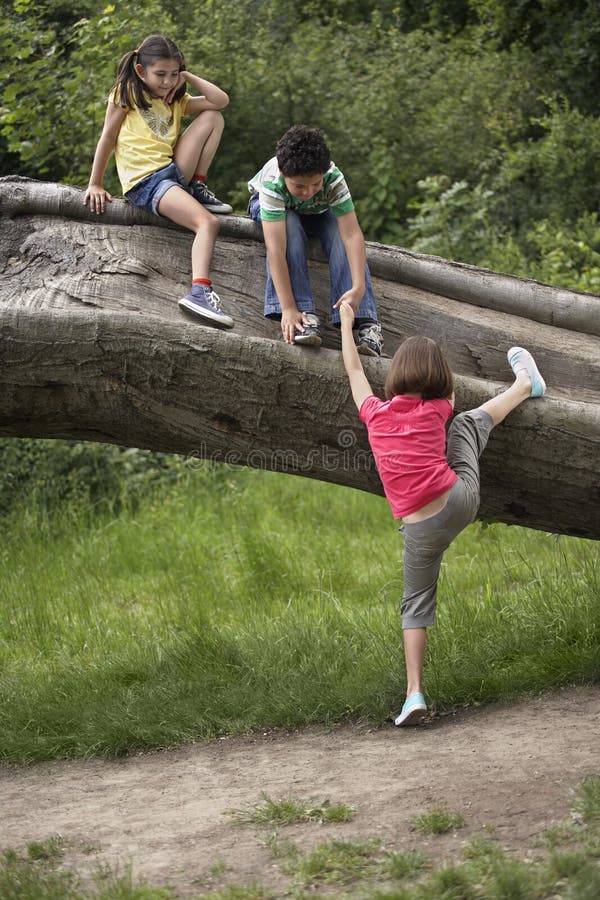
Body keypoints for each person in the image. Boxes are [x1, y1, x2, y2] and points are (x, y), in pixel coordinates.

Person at [339, 301, 547, 726]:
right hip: (458, 501)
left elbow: (355, 372)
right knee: (468, 424)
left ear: (394, 376)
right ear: (437, 379)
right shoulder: (438, 409)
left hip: (418, 529)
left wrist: (346, 324)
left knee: (414, 604)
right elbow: (448, 394)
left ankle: (413, 694)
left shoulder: (374, 415)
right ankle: (526, 384)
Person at [83, 33, 234, 328]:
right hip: (147, 182)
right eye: (160, 74)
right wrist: (95, 183)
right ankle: (199, 292)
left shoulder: (176, 99)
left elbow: (220, 100)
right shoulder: (128, 92)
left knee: (214, 117)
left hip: (172, 171)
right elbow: (107, 138)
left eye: (173, 74)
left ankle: (198, 188)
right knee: (208, 224)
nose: (167, 81)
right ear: (142, 71)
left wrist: (187, 76)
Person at [248, 125, 383, 355]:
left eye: (315, 184)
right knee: (291, 227)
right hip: (278, 211)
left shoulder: (332, 178)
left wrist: (359, 287)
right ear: (283, 173)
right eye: (299, 185)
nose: (308, 191)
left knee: (339, 234)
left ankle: (364, 321)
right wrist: (288, 307)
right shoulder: (272, 183)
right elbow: (276, 250)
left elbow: (352, 234)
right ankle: (302, 314)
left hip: (318, 212)